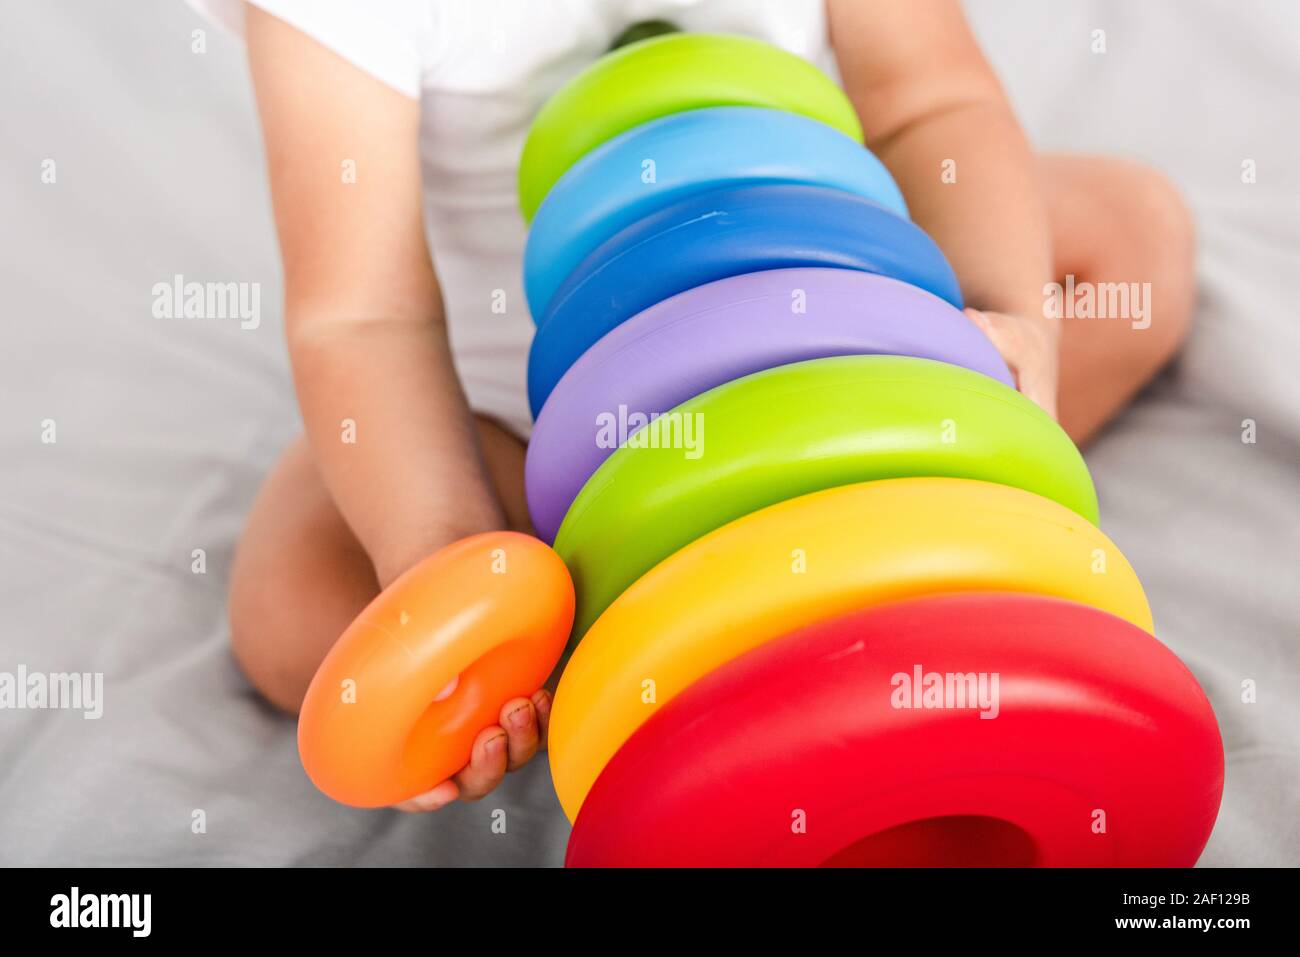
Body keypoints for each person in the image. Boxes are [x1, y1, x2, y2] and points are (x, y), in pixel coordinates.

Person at [194, 0, 1195, 812]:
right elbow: (363, 319)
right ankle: (655, 604)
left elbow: (930, 105)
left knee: (1133, 240)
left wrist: (1007, 320)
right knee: (294, 621)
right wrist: (452, 562)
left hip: (859, 339)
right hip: (548, 432)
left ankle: (921, 498)